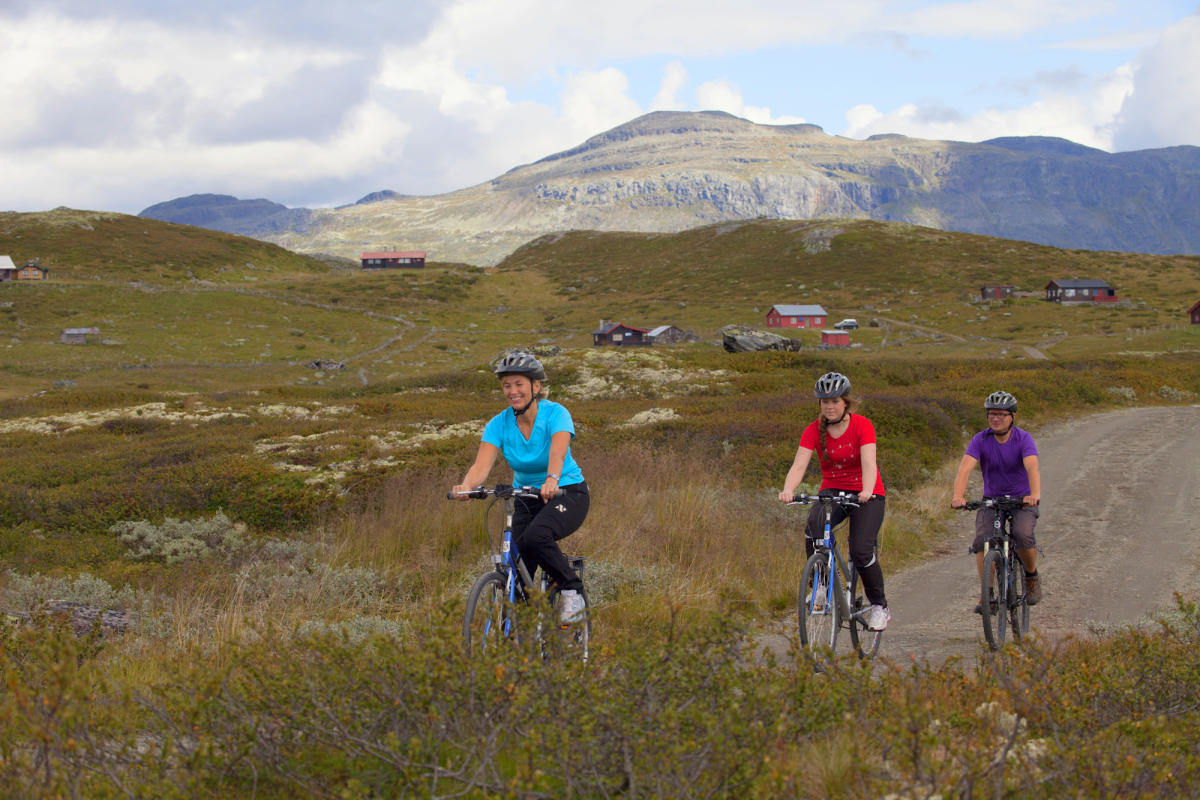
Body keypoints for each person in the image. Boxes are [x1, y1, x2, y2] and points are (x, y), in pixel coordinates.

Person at [451, 351, 589, 623]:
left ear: (535, 386)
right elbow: (481, 466)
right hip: (526, 498)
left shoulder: (556, 413)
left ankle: (572, 591)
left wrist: (552, 479)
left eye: (518, 384)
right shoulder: (498, 424)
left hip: (566, 492)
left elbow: (558, 452)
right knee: (516, 567)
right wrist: (466, 486)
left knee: (536, 537)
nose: (512, 391)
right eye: (507, 386)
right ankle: (519, 632)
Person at [778, 372, 890, 631]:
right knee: (814, 528)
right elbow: (799, 465)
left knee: (861, 551)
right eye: (825, 402)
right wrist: (788, 489)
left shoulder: (862, 425)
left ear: (846, 403)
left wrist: (867, 490)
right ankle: (821, 586)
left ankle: (879, 606)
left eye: (835, 401)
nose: (830, 406)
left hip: (866, 492)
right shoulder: (813, 430)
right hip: (832, 490)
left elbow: (869, 463)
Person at [951, 390, 1042, 610]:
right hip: (992, 500)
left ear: (1012, 416)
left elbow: (1032, 467)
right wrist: (958, 496)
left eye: (1001, 414)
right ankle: (987, 594)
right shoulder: (980, 440)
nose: (996, 418)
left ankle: (1031, 575)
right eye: (992, 414)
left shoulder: (1023, 439)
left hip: (1022, 500)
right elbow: (965, 469)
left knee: (1022, 534)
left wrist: (1034, 495)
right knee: (983, 540)